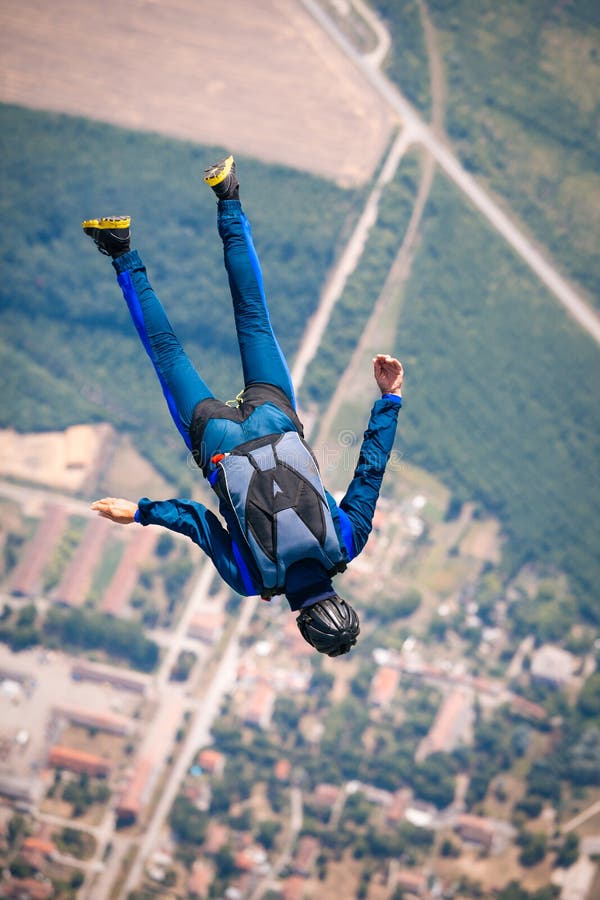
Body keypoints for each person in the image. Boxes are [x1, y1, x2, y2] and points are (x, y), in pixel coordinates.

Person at [83, 156, 403, 657]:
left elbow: (372, 469)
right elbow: (195, 520)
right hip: (217, 445)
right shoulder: (252, 580)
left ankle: (227, 193)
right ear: (302, 625)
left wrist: (390, 399)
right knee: (166, 351)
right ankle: (119, 247)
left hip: (276, 421)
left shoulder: (347, 540)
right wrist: (141, 513)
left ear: (342, 601)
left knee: (252, 313)